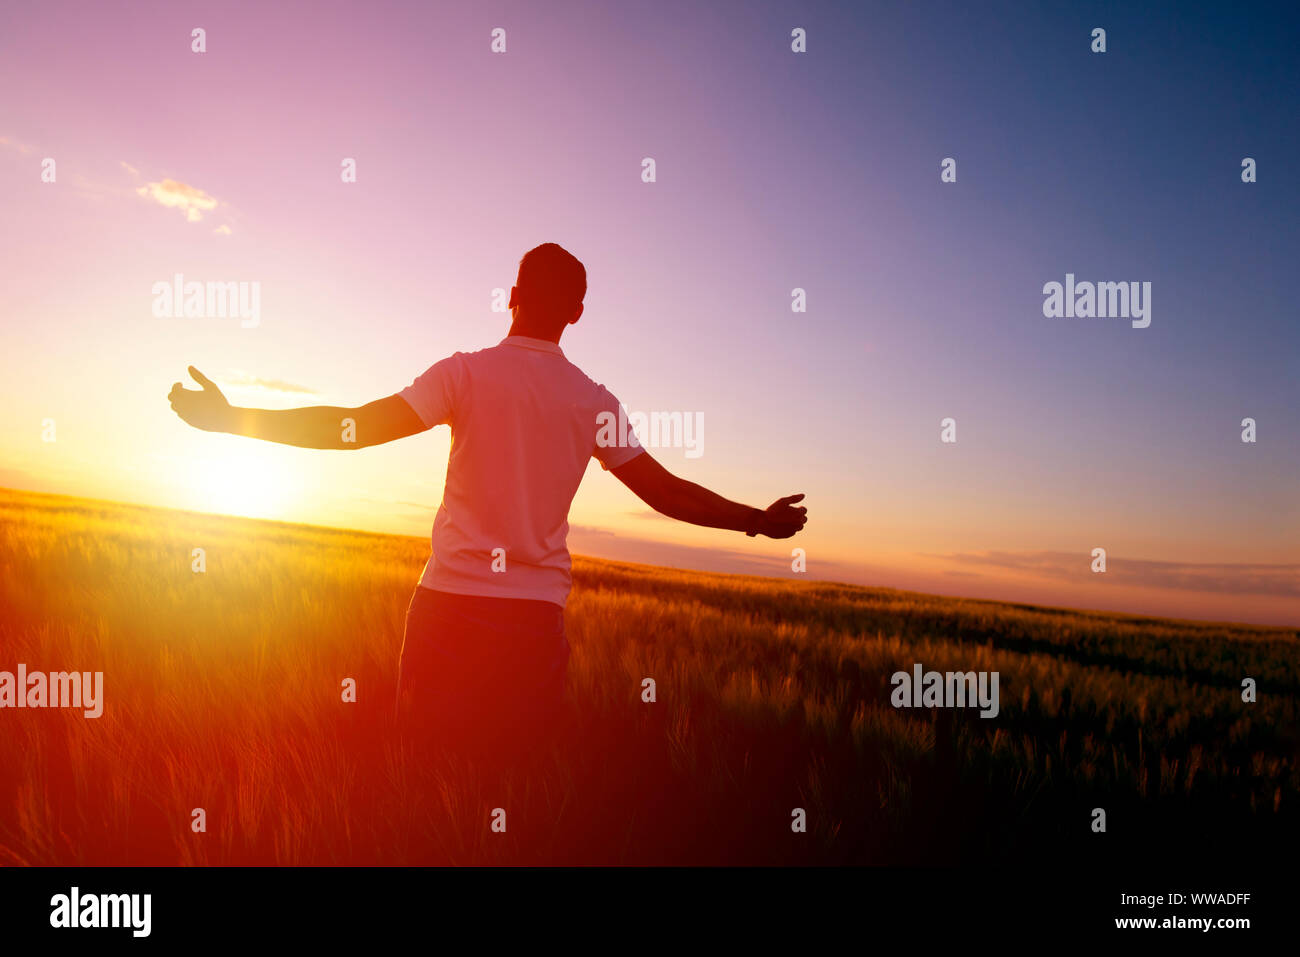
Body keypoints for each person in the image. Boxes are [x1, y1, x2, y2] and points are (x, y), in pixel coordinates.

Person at [168, 242, 808, 757]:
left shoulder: (464, 373)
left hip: (446, 608)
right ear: (577, 314)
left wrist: (235, 420)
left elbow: (353, 429)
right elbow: (665, 493)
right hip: (532, 624)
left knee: (419, 781)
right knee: (519, 794)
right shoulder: (594, 402)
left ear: (512, 297)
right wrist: (757, 521)